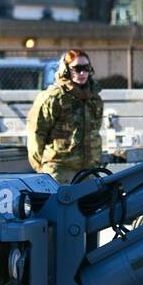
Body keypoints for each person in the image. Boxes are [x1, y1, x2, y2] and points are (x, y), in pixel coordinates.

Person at [26, 49, 104, 184]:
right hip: (60, 170)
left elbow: (95, 129)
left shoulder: (94, 99)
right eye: (77, 68)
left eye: (86, 69)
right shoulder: (53, 98)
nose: (82, 73)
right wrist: (40, 168)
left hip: (88, 171)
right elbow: (36, 133)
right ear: (66, 70)